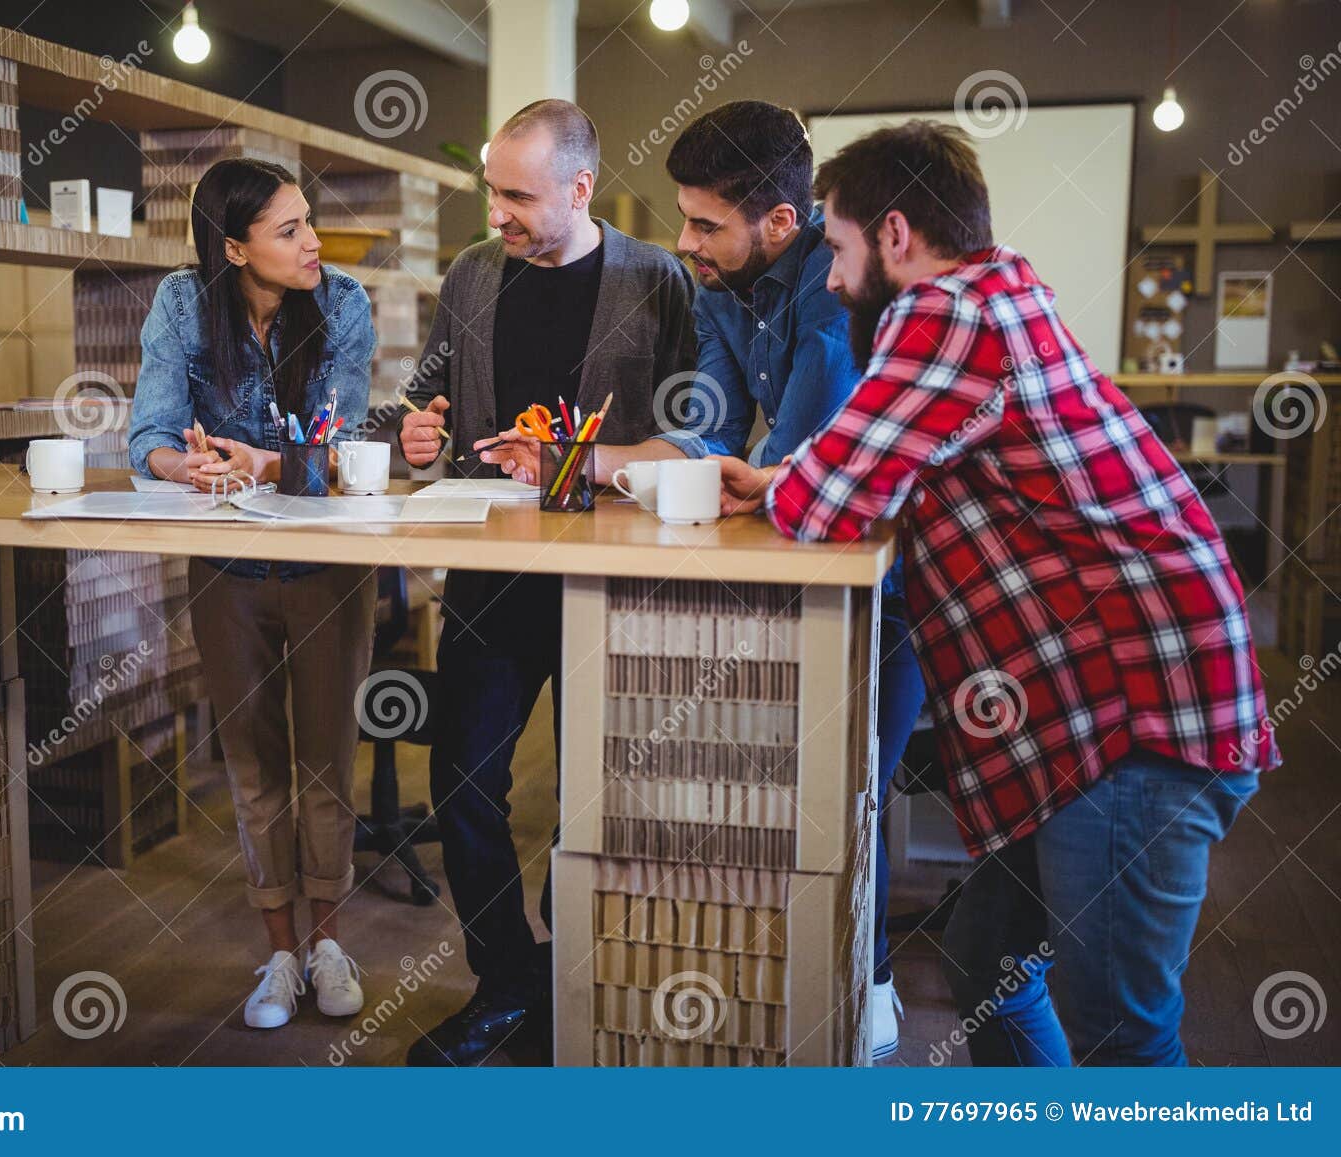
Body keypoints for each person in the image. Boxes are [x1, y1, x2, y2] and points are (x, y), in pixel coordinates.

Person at [717, 120, 1279, 1065]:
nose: (830, 277)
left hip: (1140, 714)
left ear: (895, 236)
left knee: (1125, 1036)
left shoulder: (947, 311)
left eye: (841, 248)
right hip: (1100, 706)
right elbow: (874, 463)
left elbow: (834, 505)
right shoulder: (994, 295)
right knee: (985, 966)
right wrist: (781, 480)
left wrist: (792, 485)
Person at [397, 99, 695, 1066]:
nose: (498, 212)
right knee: (463, 781)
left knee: (589, 799)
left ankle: (574, 987)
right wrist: (418, 434)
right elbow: (424, 396)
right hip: (493, 573)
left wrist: (584, 456)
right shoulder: (473, 274)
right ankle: (507, 981)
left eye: (518, 195)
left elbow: (697, 433)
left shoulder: (659, 281)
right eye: (492, 188)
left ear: (580, 188)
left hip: (614, 579)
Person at [635, 99, 924, 1058]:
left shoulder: (830, 288)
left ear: (781, 221)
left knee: (858, 786)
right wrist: (618, 462)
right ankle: (778, 982)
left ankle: (872, 977)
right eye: (684, 218)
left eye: (705, 223)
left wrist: (737, 471)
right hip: (800, 558)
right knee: (787, 783)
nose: (686, 243)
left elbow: (802, 447)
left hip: (888, 584)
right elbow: (716, 424)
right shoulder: (722, 284)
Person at [128, 157, 377, 1033]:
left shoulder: (343, 303)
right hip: (228, 569)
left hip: (328, 570)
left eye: (309, 222)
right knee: (254, 769)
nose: (313, 242)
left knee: (326, 767)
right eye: (288, 231)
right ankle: (279, 950)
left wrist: (262, 462)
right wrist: (184, 463)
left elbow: (341, 456)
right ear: (233, 248)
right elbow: (149, 436)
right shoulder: (181, 305)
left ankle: (328, 944)